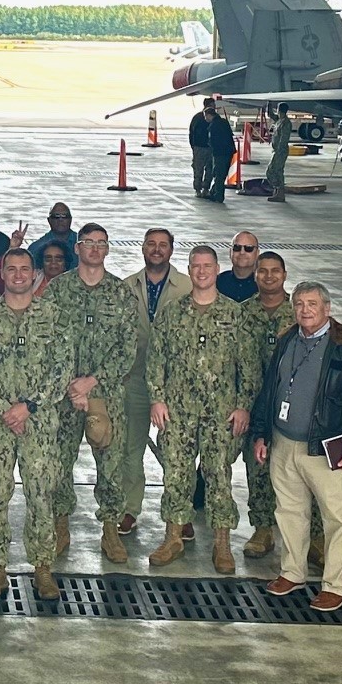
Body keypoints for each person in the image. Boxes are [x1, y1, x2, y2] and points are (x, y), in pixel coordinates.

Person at [251, 282, 342, 612]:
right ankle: (293, 572)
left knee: (337, 517)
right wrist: (261, 433)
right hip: (283, 442)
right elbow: (270, 388)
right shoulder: (288, 339)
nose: (305, 310)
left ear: (327, 309)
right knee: (289, 512)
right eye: (300, 304)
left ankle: (336, 586)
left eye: (312, 304)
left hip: (323, 448)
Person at [0, 248, 73, 599]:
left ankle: (43, 568)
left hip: (39, 423)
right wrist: (5, 411)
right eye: (11, 269)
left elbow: (63, 369)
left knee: (41, 496)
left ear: (34, 274)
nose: (18, 275)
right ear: (3, 275)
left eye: (25, 269)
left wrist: (28, 407)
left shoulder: (56, 317)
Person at [148, 246, 249, 574]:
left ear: (216, 269)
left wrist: (243, 406)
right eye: (195, 266)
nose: (201, 271)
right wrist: (157, 399)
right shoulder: (172, 312)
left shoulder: (235, 314)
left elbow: (249, 366)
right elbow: (156, 358)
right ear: (189, 270)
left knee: (219, 475)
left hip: (220, 413)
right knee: (175, 474)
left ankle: (222, 544)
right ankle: (173, 537)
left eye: (207, 266)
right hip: (177, 410)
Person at [46, 224, 140, 565]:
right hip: (64, 396)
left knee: (111, 465)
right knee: (59, 464)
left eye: (102, 243)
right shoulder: (57, 291)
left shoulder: (120, 293)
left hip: (107, 395)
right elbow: (48, 343)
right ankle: (61, 526)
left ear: (107, 249)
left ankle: (111, 532)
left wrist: (92, 382)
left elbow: (127, 348)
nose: (96, 249)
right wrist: (72, 384)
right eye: (89, 243)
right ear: (78, 248)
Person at [232, 250, 300, 558]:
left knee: (298, 472)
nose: (269, 276)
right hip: (255, 406)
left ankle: (312, 537)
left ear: (285, 275)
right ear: (255, 275)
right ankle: (262, 529)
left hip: (294, 407)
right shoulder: (242, 314)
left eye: (275, 271)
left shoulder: (299, 314)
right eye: (263, 271)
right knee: (257, 469)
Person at [117, 228, 177, 535]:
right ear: (142, 248)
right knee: (131, 446)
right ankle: (130, 507)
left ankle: (181, 514)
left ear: (171, 250)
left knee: (178, 451)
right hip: (136, 380)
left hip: (176, 385)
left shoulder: (187, 287)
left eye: (162, 245)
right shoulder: (127, 287)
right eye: (151, 244)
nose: (156, 250)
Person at [25, 203, 76, 274]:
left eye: (64, 216)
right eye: (56, 216)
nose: (60, 219)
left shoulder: (83, 243)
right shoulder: (35, 248)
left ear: (70, 219)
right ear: (49, 220)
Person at [206, 102, 237, 203]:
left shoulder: (213, 126)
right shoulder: (224, 122)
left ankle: (218, 196)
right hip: (228, 152)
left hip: (219, 153)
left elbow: (212, 142)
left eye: (206, 116)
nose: (205, 119)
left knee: (218, 175)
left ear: (210, 115)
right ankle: (214, 192)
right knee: (222, 174)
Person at [217, 232, 262, 302]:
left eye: (249, 248)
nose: (242, 252)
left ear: (257, 253)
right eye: (237, 247)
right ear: (230, 252)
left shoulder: (264, 284)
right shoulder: (216, 282)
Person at [189, 99, 217, 197]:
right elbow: (192, 133)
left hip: (205, 147)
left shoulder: (199, 117)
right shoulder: (199, 118)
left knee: (208, 169)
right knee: (199, 169)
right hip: (201, 147)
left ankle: (205, 189)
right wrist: (194, 146)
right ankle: (199, 189)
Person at [265, 105, 292, 203]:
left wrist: (279, 152)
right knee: (273, 171)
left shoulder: (285, 123)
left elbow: (283, 139)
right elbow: (270, 115)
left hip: (280, 151)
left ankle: (280, 192)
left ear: (280, 110)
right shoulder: (279, 120)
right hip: (276, 150)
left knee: (275, 171)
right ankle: (277, 191)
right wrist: (269, 104)